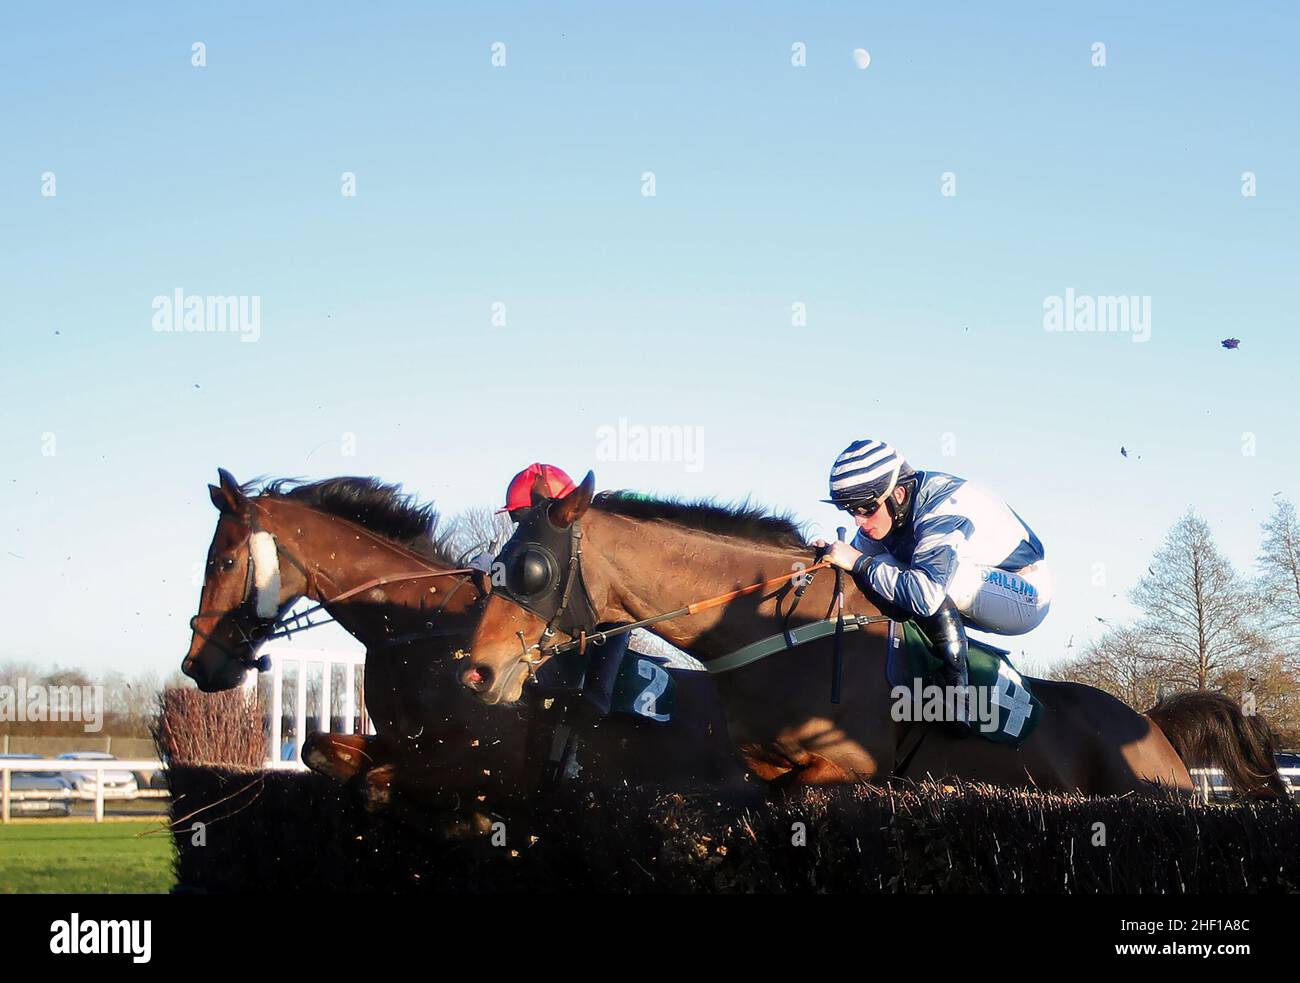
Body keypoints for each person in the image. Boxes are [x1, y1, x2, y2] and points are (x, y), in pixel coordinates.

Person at [815, 438, 1051, 726]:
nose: (858, 521)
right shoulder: (891, 508)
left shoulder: (941, 508)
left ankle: (958, 694)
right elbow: (854, 566)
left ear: (898, 494)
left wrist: (859, 561)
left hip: (1025, 592)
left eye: (864, 509)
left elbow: (925, 594)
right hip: (976, 581)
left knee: (906, 576)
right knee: (878, 571)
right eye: (850, 510)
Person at [470, 463, 698, 715]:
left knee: (609, 609)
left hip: (614, 605)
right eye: (518, 519)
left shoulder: (614, 507)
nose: (524, 527)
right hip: (569, 609)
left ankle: (598, 693)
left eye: (525, 517)